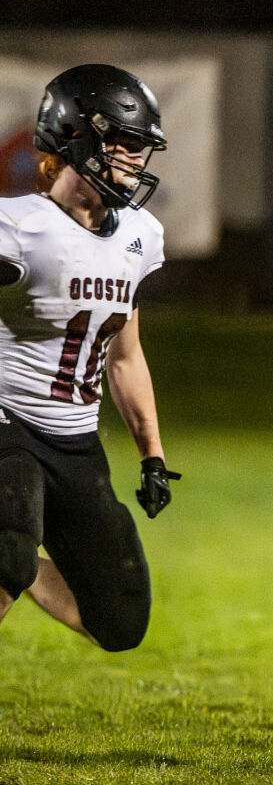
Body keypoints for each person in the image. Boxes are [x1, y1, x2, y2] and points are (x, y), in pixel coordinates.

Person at [0, 64, 177, 653]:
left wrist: (151, 453)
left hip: (76, 440)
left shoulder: (140, 235)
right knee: (9, 548)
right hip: (10, 422)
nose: (136, 161)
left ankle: (17, 563)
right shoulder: (18, 227)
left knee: (120, 622)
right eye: (123, 145)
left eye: (141, 148)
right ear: (73, 138)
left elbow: (125, 353)